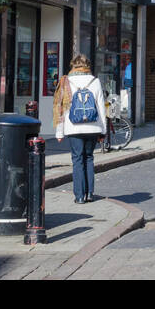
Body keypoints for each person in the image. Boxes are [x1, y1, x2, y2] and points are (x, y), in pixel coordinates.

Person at [54, 54, 107, 204]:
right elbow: (101, 108)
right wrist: (103, 131)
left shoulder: (66, 81)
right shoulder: (95, 81)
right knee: (89, 158)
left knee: (77, 160)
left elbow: (62, 109)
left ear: (73, 66)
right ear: (87, 66)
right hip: (93, 127)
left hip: (73, 128)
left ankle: (79, 196)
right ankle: (89, 193)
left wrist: (59, 131)